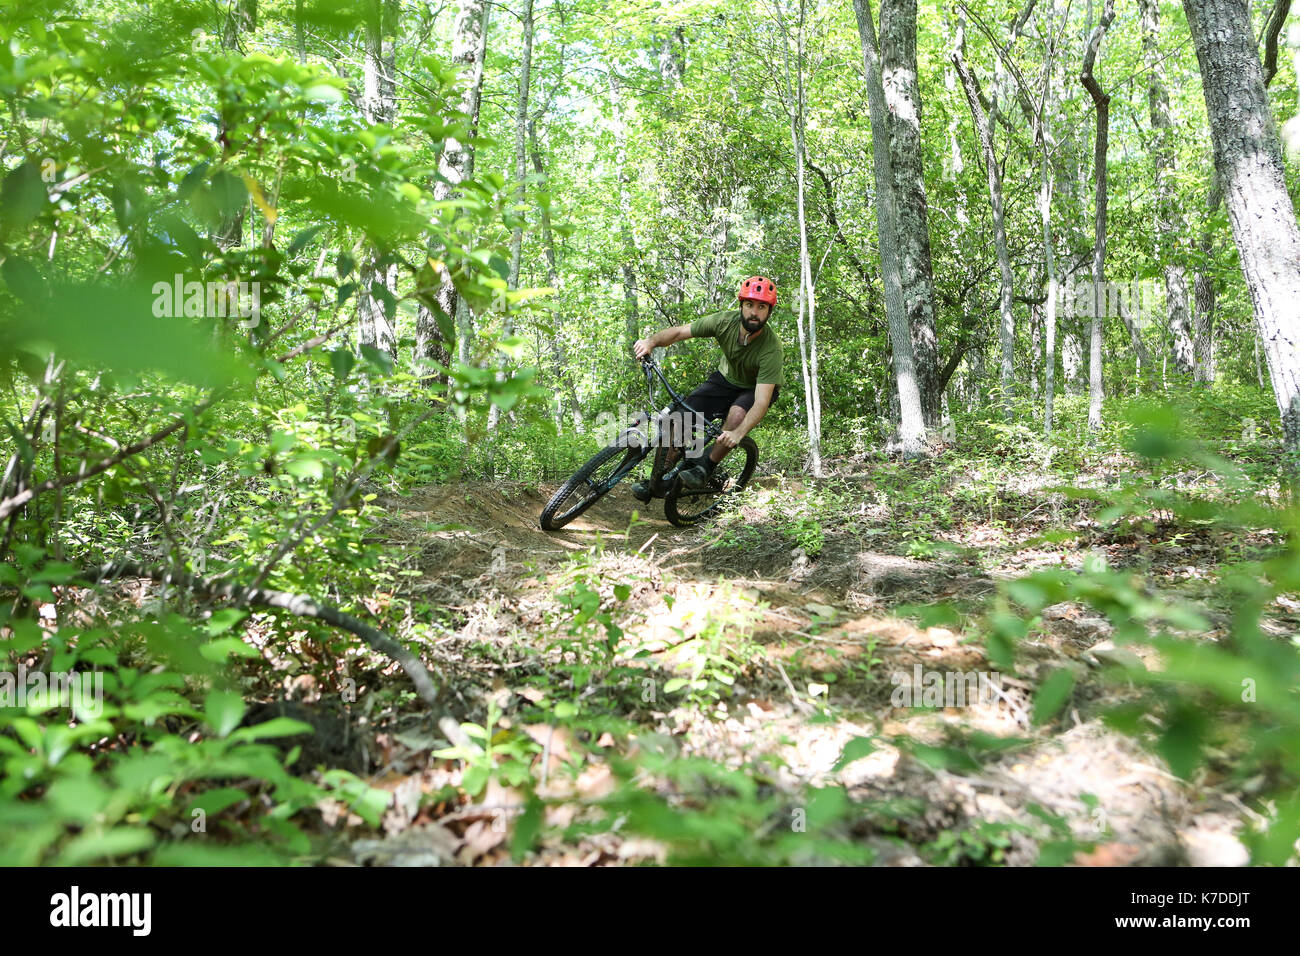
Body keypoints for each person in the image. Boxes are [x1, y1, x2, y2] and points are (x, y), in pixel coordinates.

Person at [630, 275, 784, 501]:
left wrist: (738, 433)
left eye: (762, 307)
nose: (754, 312)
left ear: (769, 312)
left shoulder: (771, 348)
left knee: (736, 415)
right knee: (678, 420)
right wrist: (651, 342)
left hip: (754, 388)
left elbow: (761, 401)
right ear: (741, 305)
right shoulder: (724, 322)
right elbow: (681, 332)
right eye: (749, 305)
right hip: (725, 379)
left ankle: (705, 467)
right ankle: (656, 481)